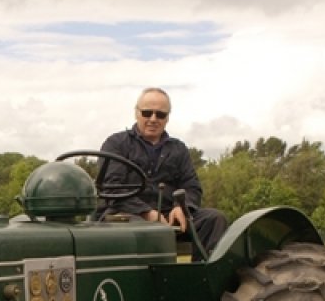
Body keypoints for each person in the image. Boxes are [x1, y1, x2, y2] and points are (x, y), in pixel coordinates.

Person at [97, 87, 228, 260]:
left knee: (215, 219)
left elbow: (192, 187)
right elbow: (111, 188)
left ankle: (204, 274)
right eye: (147, 113)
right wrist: (147, 212)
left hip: (168, 216)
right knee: (145, 230)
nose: (153, 119)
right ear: (136, 113)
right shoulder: (116, 144)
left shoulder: (178, 149)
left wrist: (181, 207)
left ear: (167, 118)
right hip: (124, 216)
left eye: (160, 114)